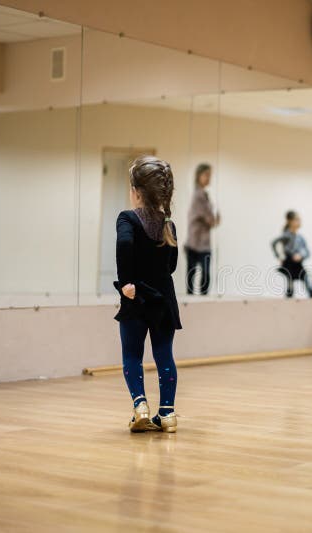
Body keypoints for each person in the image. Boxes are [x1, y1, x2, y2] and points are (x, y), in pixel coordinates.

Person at [115, 156, 183, 433]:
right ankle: (167, 414)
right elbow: (172, 265)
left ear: (136, 192)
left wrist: (126, 282)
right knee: (164, 355)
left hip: (137, 297)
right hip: (164, 299)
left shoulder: (127, 218)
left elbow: (124, 243)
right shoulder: (169, 224)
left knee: (132, 354)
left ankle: (140, 405)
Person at [185, 163, 220, 295]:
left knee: (204, 275)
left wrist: (213, 220)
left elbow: (211, 220)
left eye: (210, 175)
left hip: (204, 243)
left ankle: (202, 303)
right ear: (198, 176)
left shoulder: (205, 195)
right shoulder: (198, 195)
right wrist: (213, 219)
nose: (209, 178)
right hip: (194, 242)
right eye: (206, 175)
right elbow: (209, 219)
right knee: (192, 276)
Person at [271, 210, 312, 298]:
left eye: (299, 219)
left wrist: (301, 255)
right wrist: (279, 256)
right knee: (290, 284)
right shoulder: (287, 235)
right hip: (289, 263)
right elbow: (274, 243)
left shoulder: (300, 238)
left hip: (297, 264)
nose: (299, 222)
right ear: (290, 221)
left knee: (306, 280)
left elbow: (307, 252)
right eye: (296, 219)